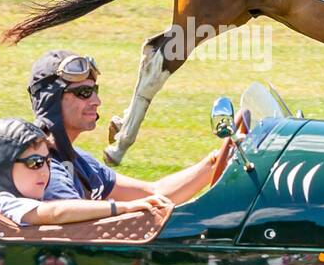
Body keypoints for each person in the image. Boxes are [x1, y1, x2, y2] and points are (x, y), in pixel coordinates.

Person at [27, 49, 220, 203]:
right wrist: (126, 209)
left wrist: (214, 161)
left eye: (95, 90)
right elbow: (74, 222)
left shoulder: (80, 161)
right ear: (52, 100)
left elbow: (155, 193)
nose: (97, 101)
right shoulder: (41, 165)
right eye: (84, 92)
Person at [0, 118, 168, 226]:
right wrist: (123, 207)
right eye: (35, 163)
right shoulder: (0, 203)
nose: (44, 171)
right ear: (3, 167)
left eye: (47, 162)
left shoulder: (31, 198)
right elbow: (55, 212)